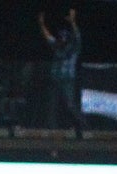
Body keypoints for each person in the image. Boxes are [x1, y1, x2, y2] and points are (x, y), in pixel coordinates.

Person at [38, 8, 83, 136]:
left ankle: (79, 126)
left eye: (63, 38)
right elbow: (47, 36)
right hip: (55, 79)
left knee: (70, 105)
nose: (61, 40)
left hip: (68, 80)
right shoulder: (57, 46)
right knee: (52, 104)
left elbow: (77, 37)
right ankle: (51, 128)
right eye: (60, 38)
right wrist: (42, 24)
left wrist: (73, 22)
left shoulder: (73, 48)